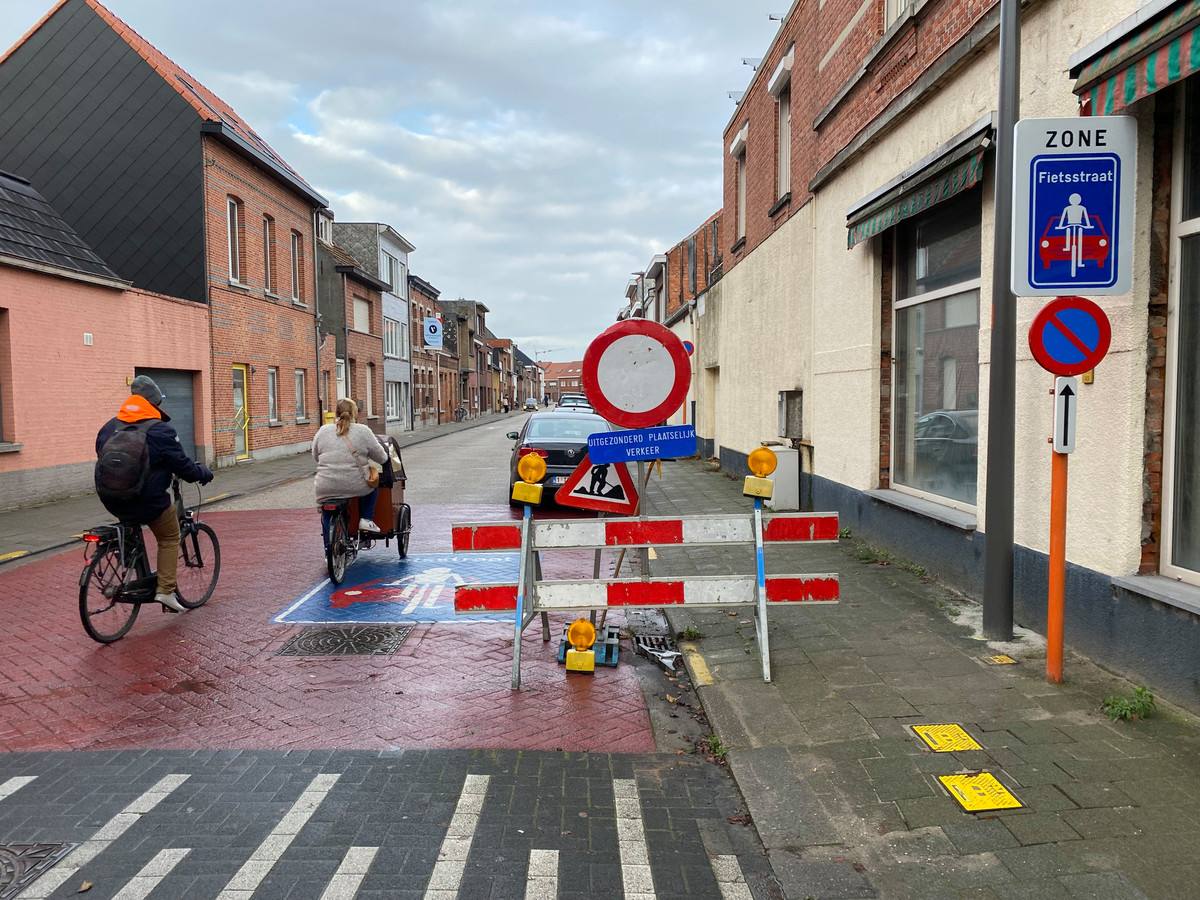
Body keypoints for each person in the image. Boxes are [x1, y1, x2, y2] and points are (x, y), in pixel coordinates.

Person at [95, 375, 213, 613]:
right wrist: (203, 472)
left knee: (131, 520)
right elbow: (185, 468)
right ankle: (166, 591)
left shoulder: (109, 427)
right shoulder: (160, 430)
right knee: (169, 536)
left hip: (110, 497)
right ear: (155, 403)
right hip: (147, 501)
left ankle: (128, 555)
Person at [312, 398, 388, 534]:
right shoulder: (363, 431)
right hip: (356, 485)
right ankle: (366, 519)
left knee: (327, 513)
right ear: (355, 413)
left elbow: (315, 456)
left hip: (325, 486)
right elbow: (382, 458)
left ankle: (328, 545)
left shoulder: (323, 431)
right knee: (373, 484)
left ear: (336, 413)